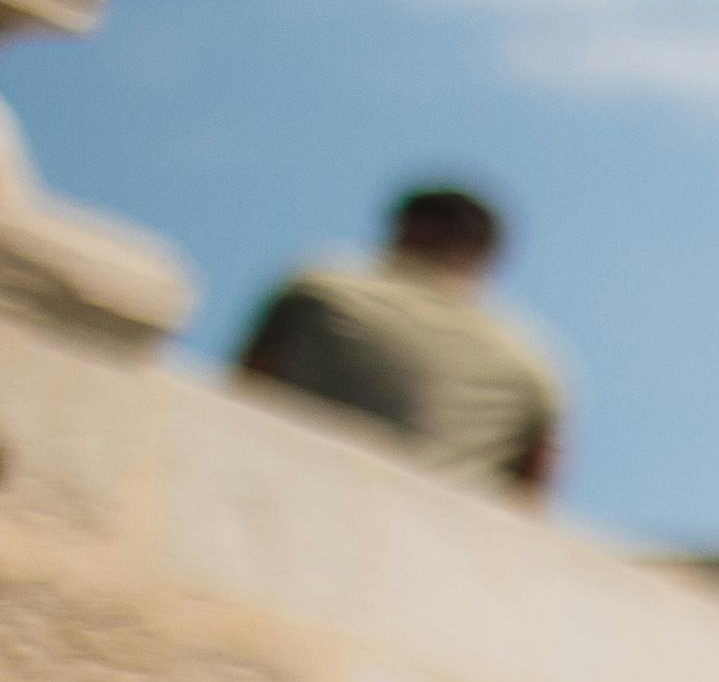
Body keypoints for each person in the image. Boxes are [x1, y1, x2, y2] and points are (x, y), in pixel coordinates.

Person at [234, 181, 565, 496]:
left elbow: (242, 390)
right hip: (436, 540)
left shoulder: (321, 290)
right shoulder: (535, 363)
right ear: (488, 256)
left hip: (283, 495)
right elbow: (530, 501)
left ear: (405, 229)